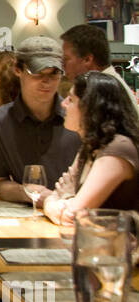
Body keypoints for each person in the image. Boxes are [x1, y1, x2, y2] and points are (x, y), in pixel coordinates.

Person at [0, 36, 80, 201]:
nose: (46, 81)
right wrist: (30, 193)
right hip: (26, 218)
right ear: (17, 70)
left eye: (54, 73)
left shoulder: (80, 119)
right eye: (37, 73)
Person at [43, 72, 139, 223]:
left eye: (71, 99)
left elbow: (74, 213)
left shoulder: (118, 148)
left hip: (121, 243)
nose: (63, 104)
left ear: (90, 107)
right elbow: (58, 193)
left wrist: (54, 203)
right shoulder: (92, 145)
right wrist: (52, 203)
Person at [60, 24, 139, 119]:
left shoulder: (105, 92)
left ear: (87, 60)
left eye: (66, 59)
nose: (62, 65)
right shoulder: (101, 84)